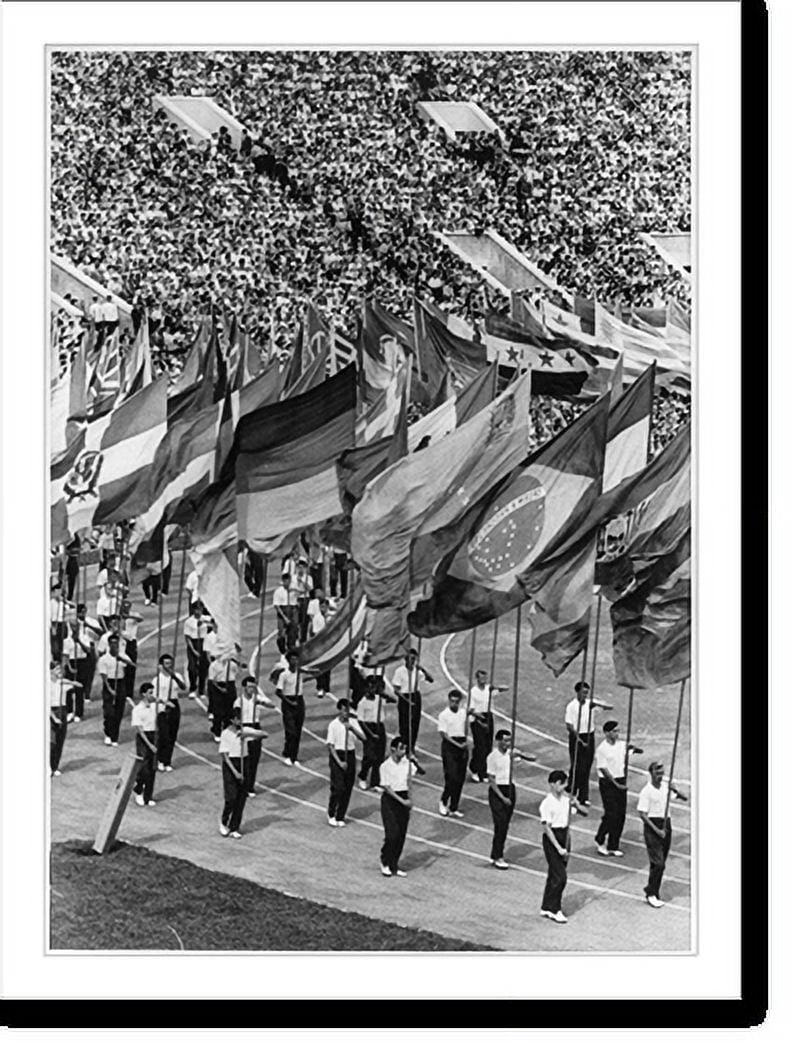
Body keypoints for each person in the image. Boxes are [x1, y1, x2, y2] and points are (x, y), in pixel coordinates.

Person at [636, 761, 688, 908]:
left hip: (666, 823)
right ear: (651, 773)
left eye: (662, 772)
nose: (660, 775)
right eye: (657, 773)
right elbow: (643, 814)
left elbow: (684, 798)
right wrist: (657, 830)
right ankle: (651, 893)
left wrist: (675, 790)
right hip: (653, 827)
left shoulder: (666, 787)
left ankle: (653, 890)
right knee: (659, 863)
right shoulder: (646, 791)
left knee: (660, 863)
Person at [486, 728, 535, 869]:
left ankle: (495, 853)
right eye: (505, 740)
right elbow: (491, 780)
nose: (508, 743)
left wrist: (521, 754)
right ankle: (498, 856)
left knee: (505, 825)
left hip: (510, 787)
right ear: (498, 741)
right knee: (500, 824)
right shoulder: (492, 757)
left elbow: (534, 758)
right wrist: (502, 798)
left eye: (509, 740)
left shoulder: (510, 754)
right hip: (498, 791)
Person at [594, 720, 643, 857]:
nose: (617, 734)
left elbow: (628, 748)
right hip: (608, 783)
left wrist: (636, 749)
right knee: (611, 813)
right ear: (607, 733)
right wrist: (616, 784)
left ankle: (613, 845)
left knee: (620, 814)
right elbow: (603, 769)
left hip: (621, 779)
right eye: (614, 731)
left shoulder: (621, 745)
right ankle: (600, 838)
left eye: (618, 731)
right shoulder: (602, 749)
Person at [564, 681, 613, 811]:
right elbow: (569, 726)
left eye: (587, 692)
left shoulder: (590, 704)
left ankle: (582, 795)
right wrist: (579, 740)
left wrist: (596, 703)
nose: (585, 695)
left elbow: (609, 707)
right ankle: (573, 791)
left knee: (586, 767)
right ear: (578, 692)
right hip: (577, 737)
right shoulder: (572, 706)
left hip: (589, 735)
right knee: (578, 766)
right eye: (583, 692)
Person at [218, 712, 268, 838]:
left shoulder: (244, 731)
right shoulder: (226, 733)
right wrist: (235, 772)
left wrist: (248, 734)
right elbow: (224, 755)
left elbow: (264, 734)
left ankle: (234, 827)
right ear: (231, 720)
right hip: (231, 764)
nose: (240, 721)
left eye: (241, 718)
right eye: (237, 719)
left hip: (243, 760)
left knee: (241, 797)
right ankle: (224, 821)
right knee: (231, 797)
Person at [378, 736, 416, 877]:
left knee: (401, 834)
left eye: (405, 748)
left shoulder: (407, 764)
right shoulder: (385, 766)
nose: (404, 750)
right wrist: (402, 801)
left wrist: (410, 800)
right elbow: (387, 788)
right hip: (391, 800)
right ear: (393, 749)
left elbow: (411, 780)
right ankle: (385, 860)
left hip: (404, 797)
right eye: (402, 748)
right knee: (392, 834)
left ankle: (394, 863)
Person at [326, 699, 366, 827]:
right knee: (338, 787)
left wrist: (352, 729)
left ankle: (340, 816)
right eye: (343, 710)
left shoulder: (352, 723)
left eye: (347, 710)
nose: (345, 713)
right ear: (339, 710)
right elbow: (330, 746)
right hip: (338, 754)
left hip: (350, 753)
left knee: (348, 786)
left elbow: (364, 738)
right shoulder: (333, 725)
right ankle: (331, 812)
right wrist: (339, 762)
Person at [539, 770, 572, 923]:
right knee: (561, 877)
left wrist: (576, 802)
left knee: (554, 875)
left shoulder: (566, 800)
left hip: (565, 835)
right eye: (560, 783)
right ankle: (555, 908)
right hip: (553, 839)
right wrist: (558, 847)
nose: (563, 786)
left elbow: (583, 812)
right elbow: (547, 828)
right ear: (552, 784)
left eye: (564, 783)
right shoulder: (547, 803)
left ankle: (546, 906)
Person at [233, 675, 275, 796]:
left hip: (255, 725)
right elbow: (236, 716)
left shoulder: (256, 699)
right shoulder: (239, 701)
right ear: (244, 688)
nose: (252, 689)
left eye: (254, 687)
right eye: (249, 687)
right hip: (245, 727)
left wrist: (261, 702)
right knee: (245, 759)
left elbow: (272, 705)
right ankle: (243, 786)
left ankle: (250, 786)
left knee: (254, 758)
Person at [391, 648, 433, 768]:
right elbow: (396, 690)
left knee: (415, 724)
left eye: (414, 659)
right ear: (406, 659)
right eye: (410, 658)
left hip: (415, 696)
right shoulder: (400, 671)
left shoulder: (417, 671)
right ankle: (404, 748)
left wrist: (423, 669)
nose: (412, 661)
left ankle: (411, 748)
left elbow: (431, 679)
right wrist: (407, 701)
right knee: (405, 725)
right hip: (405, 697)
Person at [97, 634, 135, 746]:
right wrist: (110, 689)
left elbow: (132, 664)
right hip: (110, 682)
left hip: (120, 682)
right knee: (109, 711)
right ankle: (108, 733)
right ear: (109, 644)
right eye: (112, 643)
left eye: (116, 643)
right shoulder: (104, 659)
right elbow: (103, 676)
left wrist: (121, 658)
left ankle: (115, 736)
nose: (114, 646)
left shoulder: (122, 655)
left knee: (119, 710)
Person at [468, 668, 504, 782]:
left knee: (488, 745)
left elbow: (504, 688)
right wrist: (480, 720)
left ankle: (482, 770)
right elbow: (470, 710)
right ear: (477, 679)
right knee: (480, 746)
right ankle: (476, 770)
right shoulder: (473, 692)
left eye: (485, 678)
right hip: (478, 718)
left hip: (488, 716)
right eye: (481, 678)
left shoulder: (488, 689)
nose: (483, 680)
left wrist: (495, 687)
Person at [356, 675, 392, 790]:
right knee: (370, 756)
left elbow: (393, 699)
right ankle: (362, 776)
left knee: (380, 756)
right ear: (366, 688)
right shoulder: (362, 703)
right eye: (370, 687)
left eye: (374, 687)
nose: (372, 690)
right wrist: (371, 734)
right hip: (369, 728)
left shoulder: (379, 699)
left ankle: (375, 782)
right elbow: (361, 721)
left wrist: (382, 693)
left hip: (379, 726)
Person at [437, 688, 468, 818]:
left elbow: (466, 726)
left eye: (456, 701)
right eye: (452, 701)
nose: (454, 704)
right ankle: (444, 800)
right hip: (450, 746)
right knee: (452, 776)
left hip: (462, 743)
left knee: (460, 777)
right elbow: (443, 734)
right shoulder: (443, 715)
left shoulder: (462, 713)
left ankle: (454, 806)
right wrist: (458, 745)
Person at [153, 652, 186, 771]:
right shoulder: (157, 679)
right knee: (164, 735)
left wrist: (174, 676)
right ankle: (160, 759)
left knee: (172, 734)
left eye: (170, 664)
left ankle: (167, 761)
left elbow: (183, 687)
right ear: (161, 665)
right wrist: (163, 703)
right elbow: (153, 696)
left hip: (174, 703)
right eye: (166, 664)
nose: (169, 666)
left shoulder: (176, 676)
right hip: (162, 706)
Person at [50, 661, 80, 776]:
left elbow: (71, 683)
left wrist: (75, 682)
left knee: (60, 740)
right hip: (52, 711)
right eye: (57, 669)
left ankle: (54, 767)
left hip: (62, 711)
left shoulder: (61, 683)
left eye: (60, 669)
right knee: (51, 743)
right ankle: (47, 765)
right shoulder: (46, 684)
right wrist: (54, 718)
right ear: (50, 671)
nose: (60, 672)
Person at [275, 650, 305, 766]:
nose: (295, 661)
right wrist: (289, 702)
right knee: (290, 730)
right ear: (288, 661)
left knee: (298, 729)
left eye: (296, 659)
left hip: (299, 700)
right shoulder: (284, 674)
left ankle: (294, 756)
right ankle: (288, 754)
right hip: (288, 702)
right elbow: (278, 691)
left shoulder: (300, 673)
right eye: (292, 659)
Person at [131, 683, 158, 806]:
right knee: (144, 767)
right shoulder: (137, 710)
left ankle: (148, 796)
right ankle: (138, 789)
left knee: (152, 767)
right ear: (144, 694)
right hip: (144, 738)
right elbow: (140, 730)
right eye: (150, 693)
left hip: (153, 734)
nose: (152, 695)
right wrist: (149, 744)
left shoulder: (153, 707)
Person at [206, 647, 240, 741]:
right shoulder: (214, 665)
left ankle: (227, 730)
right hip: (218, 686)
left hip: (229, 685)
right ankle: (217, 731)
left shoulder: (232, 665)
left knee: (230, 709)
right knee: (218, 711)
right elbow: (212, 680)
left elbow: (235, 675)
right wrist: (221, 688)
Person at [184, 601, 210, 698]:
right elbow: (187, 637)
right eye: (196, 609)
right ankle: (193, 688)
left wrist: (205, 623)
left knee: (204, 667)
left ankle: (202, 690)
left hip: (204, 643)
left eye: (200, 609)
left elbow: (215, 625)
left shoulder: (206, 619)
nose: (198, 611)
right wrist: (194, 651)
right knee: (192, 668)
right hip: (194, 644)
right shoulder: (189, 622)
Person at [272, 571, 295, 651]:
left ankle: (290, 647)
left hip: (291, 610)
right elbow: (277, 606)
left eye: (289, 581)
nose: (287, 583)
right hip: (282, 612)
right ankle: (281, 647)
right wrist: (284, 618)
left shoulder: (292, 591)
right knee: (282, 633)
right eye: (286, 581)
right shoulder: (278, 591)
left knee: (291, 632)